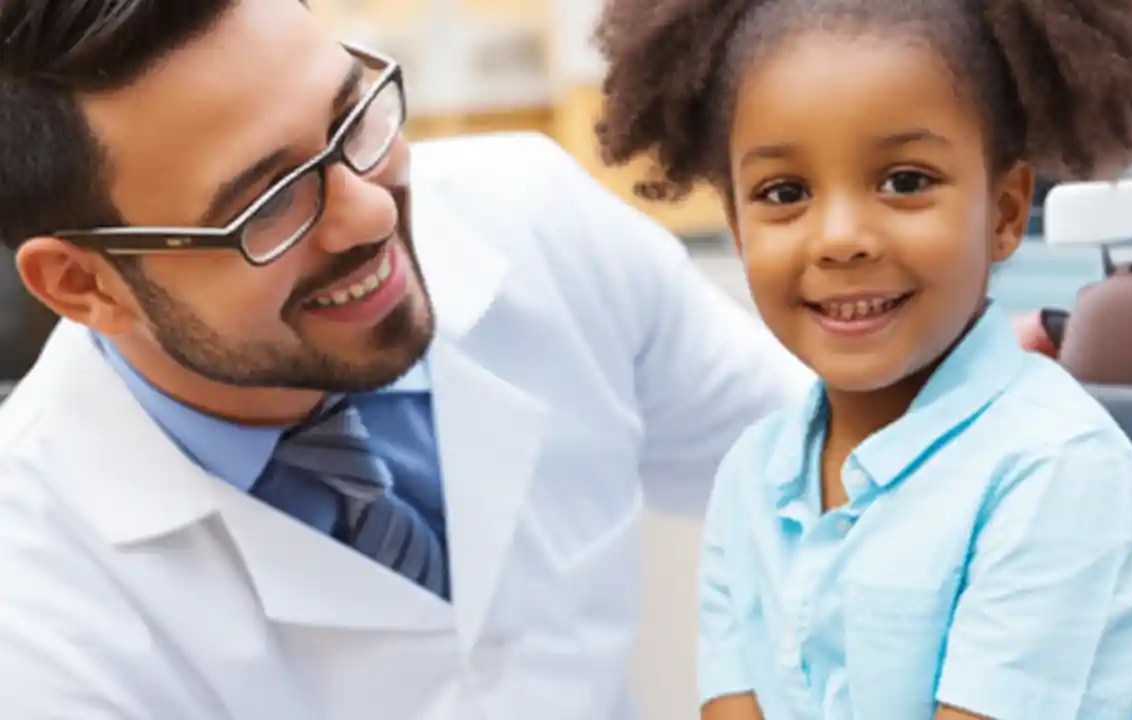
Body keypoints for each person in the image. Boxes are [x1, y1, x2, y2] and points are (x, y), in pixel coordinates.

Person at [0, 1, 812, 718]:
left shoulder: (533, 219)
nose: (368, 210)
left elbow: (840, 470)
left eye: (349, 118)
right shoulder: (34, 617)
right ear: (82, 284)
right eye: (266, 202)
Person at [594, 0, 1132, 718]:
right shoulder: (752, 477)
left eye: (904, 181)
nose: (841, 238)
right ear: (737, 228)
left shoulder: (1054, 471)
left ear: (1003, 213)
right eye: (784, 194)